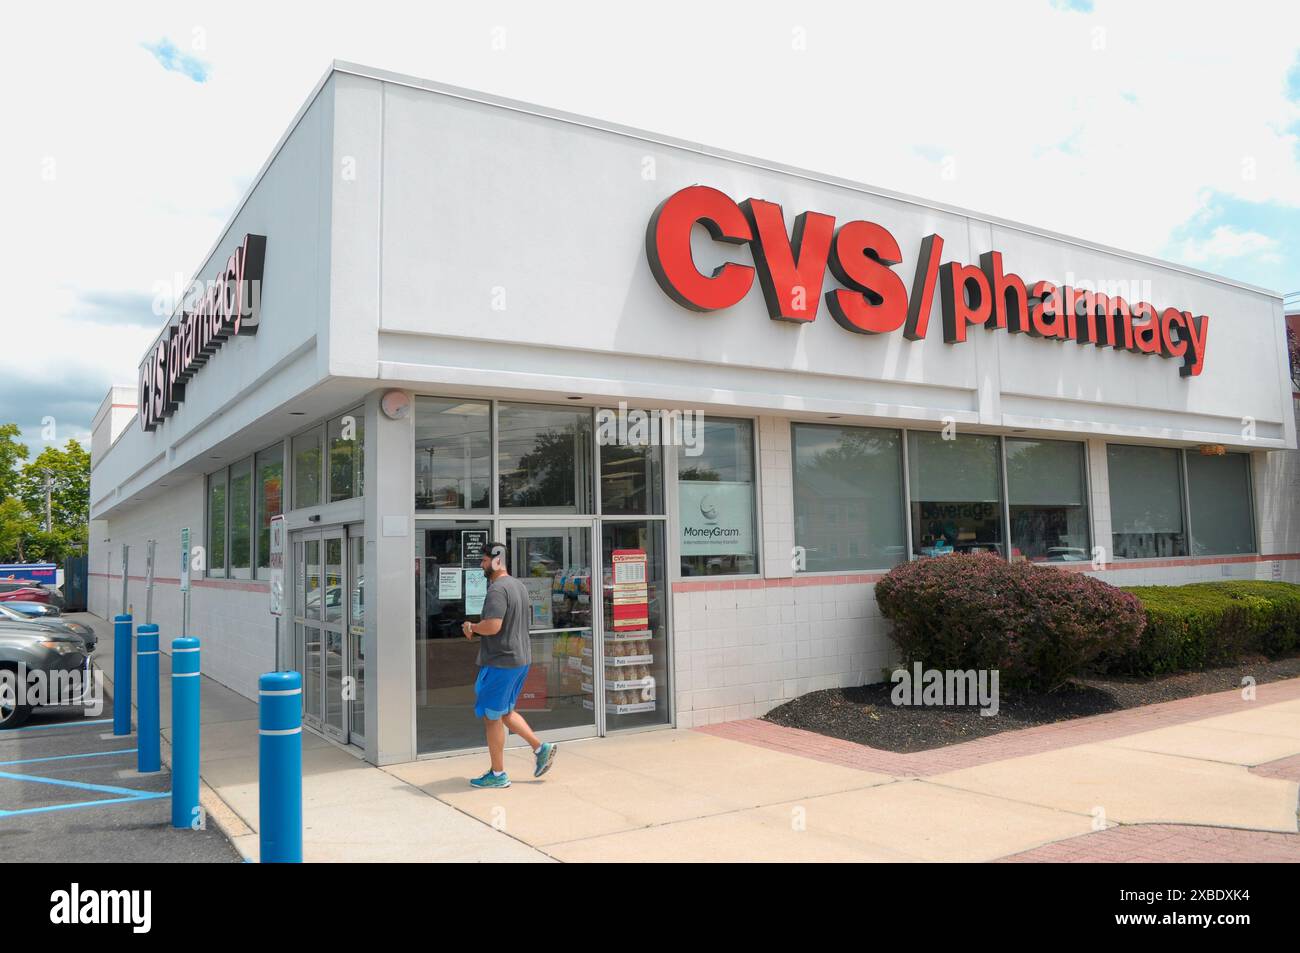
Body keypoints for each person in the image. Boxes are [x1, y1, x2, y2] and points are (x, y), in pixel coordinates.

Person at [461, 541, 557, 787]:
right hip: (519, 660)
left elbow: (493, 625)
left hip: (501, 662)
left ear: (496, 560)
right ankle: (540, 748)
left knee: (492, 718)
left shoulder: (497, 590)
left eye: (484, 560)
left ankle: (498, 774)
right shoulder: (518, 586)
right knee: (504, 711)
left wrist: (472, 627)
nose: (481, 565)